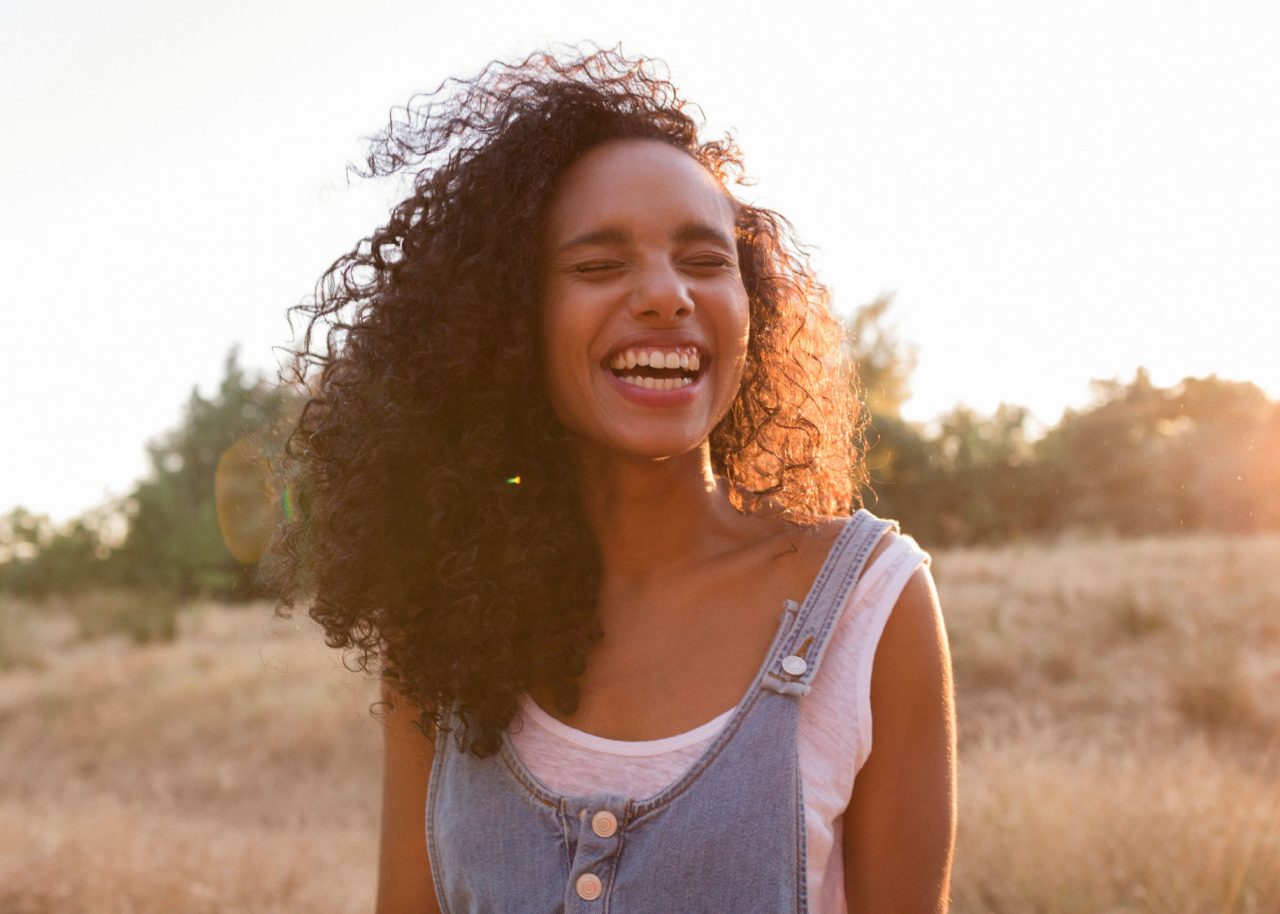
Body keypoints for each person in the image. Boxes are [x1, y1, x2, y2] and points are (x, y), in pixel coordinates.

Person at [272, 46, 956, 914]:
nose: (666, 295)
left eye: (706, 262)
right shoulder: (439, 616)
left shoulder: (868, 604)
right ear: (507, 322)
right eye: (599, 266)